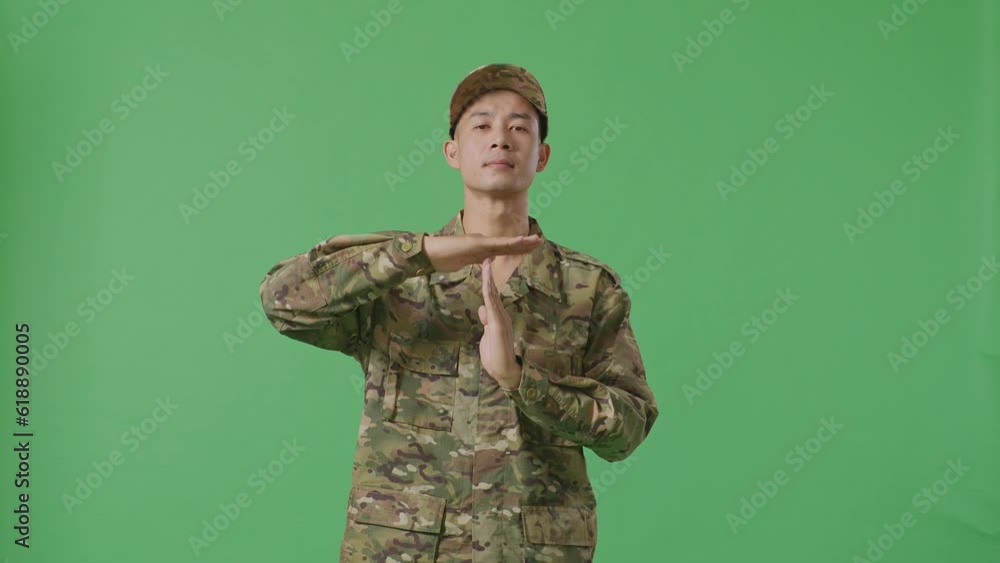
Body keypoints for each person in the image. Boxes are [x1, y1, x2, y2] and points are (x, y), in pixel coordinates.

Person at [259, 63, 659, 562]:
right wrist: (417, 255)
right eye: (481, 125)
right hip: (404, 548)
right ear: (452, 152)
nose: (500, 139)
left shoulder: (586, 287)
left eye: (519, 127)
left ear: (543, 155)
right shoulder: (396, 280)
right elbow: (283, 302)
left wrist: (520, 379)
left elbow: (628, 429)